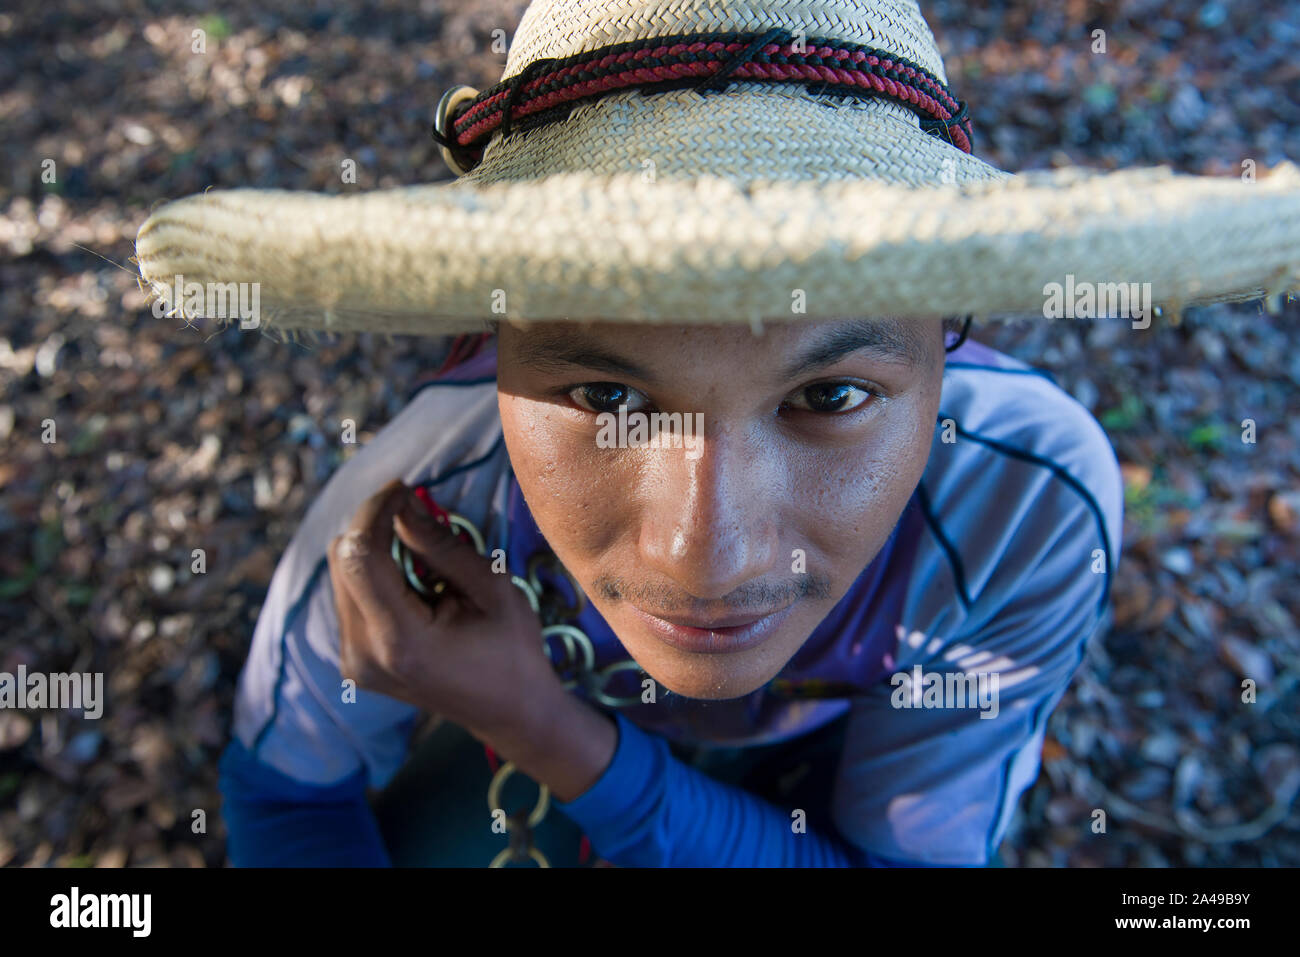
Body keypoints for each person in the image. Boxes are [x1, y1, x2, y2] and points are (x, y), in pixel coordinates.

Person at [133, 0, 1300, 867]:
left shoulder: (1024, 506)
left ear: (951, 343)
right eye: (608, 398)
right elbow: (288, 798)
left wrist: (538, 723)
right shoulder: (421, 509)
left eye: (828, 397)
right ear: (494, 345)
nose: (707, 554)